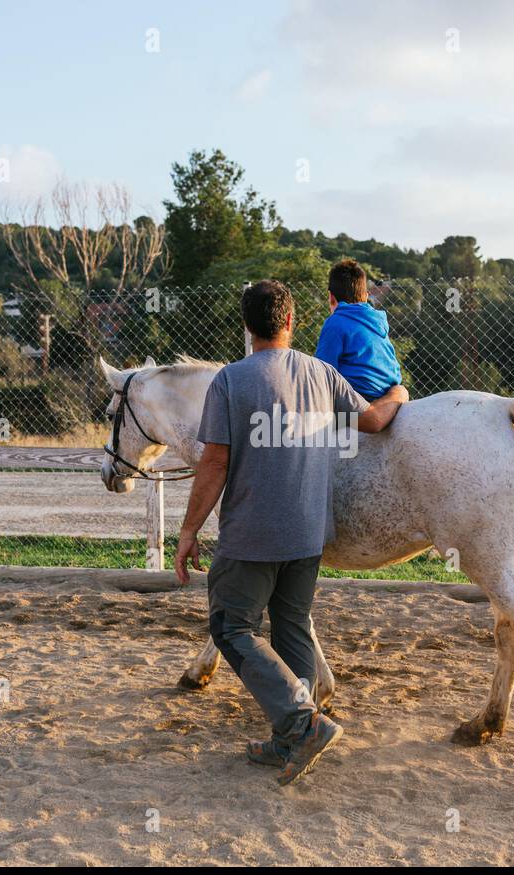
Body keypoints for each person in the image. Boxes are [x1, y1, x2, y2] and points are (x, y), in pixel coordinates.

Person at [174, 279, 407, 785]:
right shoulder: (322, 373)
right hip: (308, 533)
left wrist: (189, 529)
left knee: (231, 627)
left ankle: (302, 725)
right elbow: (371, 421)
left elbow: (214, 463)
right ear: (290, 322)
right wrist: (397, 394)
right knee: (292, 628)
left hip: (253, 534)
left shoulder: (231, 381)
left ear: (247, 326)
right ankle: (288, 739)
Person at [314, 258, 403, 402]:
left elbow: (321, 374)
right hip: (389, 392)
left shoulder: (335, 322)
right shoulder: (378, 320)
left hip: (360, 397)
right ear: (366, 296)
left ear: (331, 297)